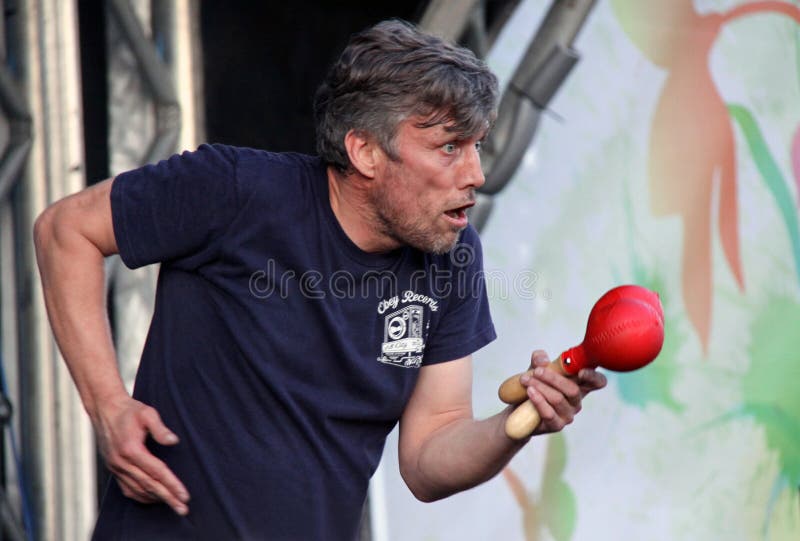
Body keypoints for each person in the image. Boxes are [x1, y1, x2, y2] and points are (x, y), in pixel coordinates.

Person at [34, 19, 606, 540]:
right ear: (365, 151)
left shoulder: (453, 258)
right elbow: (65, 231)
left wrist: (516, 423)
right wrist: (108, 407)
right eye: (449, 147)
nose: (475, 173)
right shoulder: (232, 189)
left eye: (477, 145)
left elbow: (428, 457)